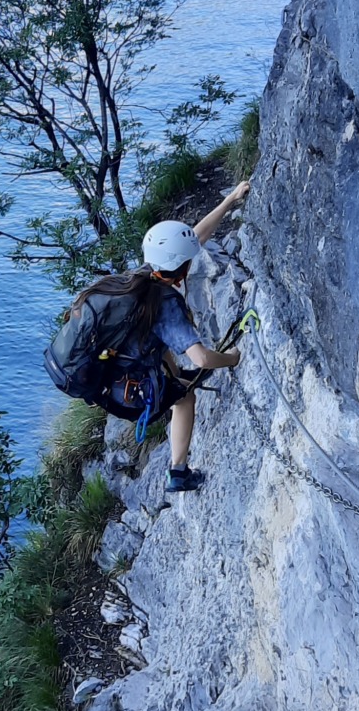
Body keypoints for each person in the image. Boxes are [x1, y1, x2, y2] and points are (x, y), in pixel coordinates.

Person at [60, 180, 251, 494]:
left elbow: (195, 239)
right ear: (180, 267)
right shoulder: (164, 305)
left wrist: (230, 199)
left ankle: (173, 378)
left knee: (166, 359)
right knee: (184, 398)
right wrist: (232, 358)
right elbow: (202, 358)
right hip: (125, 392)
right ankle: (179, 472)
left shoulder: (142, 276)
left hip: (111, 372)